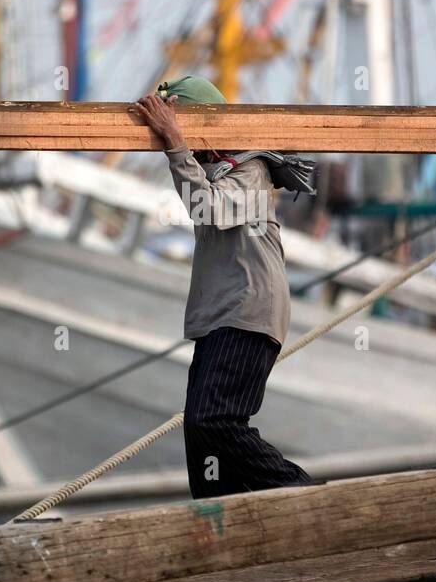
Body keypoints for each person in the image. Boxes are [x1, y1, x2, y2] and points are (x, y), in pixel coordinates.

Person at [131, 76, 315, 498]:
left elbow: (207, 208)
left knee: (213, 422)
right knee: (201, 438)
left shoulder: (249, 169)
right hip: (223, 319)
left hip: (248, 313)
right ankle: (216, 521)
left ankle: (305, 495)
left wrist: (174, 142)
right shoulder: (216, 171)